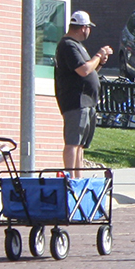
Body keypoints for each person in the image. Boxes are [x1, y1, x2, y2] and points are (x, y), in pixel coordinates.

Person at [55, 11, 112, 173]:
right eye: (88, 27)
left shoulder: (77, 46)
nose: (89, 31)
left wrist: (99, 63)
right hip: (76, 100)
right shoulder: (68, 45)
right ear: (83, 28)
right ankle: (70, 178)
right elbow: (83, 70)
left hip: (87, 101)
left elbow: (89, 71)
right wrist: (98, 55)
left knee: (80, 144)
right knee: (73, 142)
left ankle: (78, 178)